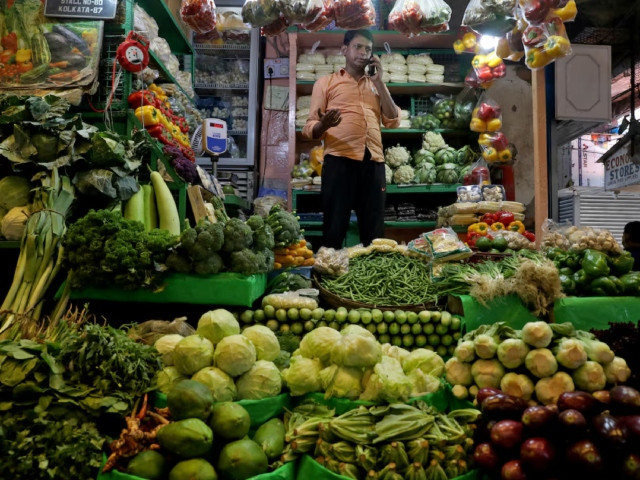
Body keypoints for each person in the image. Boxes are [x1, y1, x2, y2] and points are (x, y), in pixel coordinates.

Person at [302, 30, 401, 249]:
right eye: (358, 47)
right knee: (334, 230)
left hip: (373, 163)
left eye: (368, 49)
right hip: (339, 162)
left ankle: (372, 281)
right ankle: (328, 278)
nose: (363, 53)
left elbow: (393, 120)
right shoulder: (326, 83)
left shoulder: (376, 85)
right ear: (344, 50)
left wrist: (380, 83)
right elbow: (309, 128)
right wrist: (324, 124)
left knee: (375, 234)